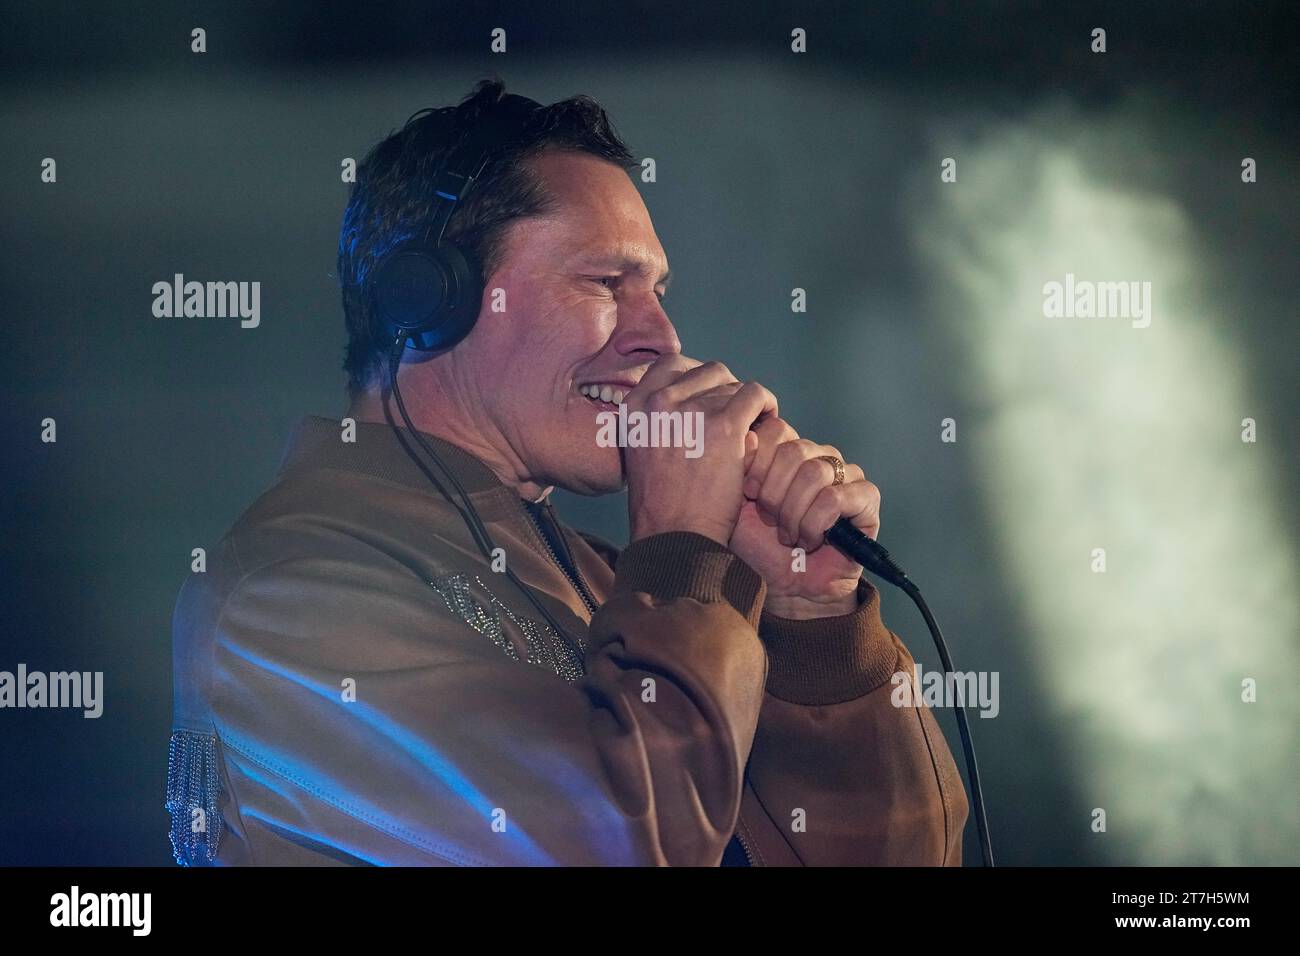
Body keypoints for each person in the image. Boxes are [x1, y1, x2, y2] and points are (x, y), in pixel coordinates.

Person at [166, 78, 968, 866]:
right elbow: (620, 847)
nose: (660, 334)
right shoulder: (291, 592)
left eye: (656, 291)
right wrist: (682, 550)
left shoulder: (604, 579)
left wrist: (811, 618)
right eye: (606, 283)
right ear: (428, 299)